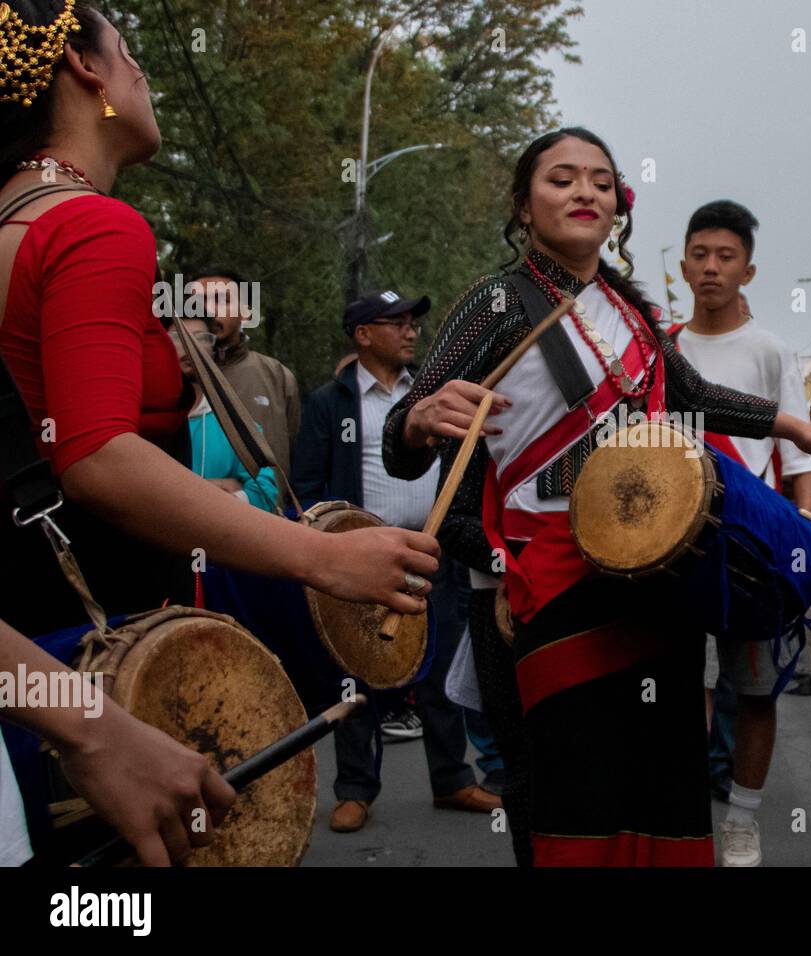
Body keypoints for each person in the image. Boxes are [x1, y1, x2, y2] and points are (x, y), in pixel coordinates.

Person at [0, 0, 439, 866]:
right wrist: (320, 557)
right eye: (129, 56)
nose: (142, 76)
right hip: (98, 651)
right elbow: (95, 459)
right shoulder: (88, 223)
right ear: (86, 72)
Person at [381, 127, 811, 867]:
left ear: (618, 207)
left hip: (644, 571)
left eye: (601, 182)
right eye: (562, 179)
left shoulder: (631, 312)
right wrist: (418, 420)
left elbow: (695, 395)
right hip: (523, 581)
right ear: (523, 203)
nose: (585, 192)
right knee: (547, 781)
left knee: (656, 771)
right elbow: (400, 436)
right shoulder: (495, 303)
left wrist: (799, 429)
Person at [292, 290, 500, 833]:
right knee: (357, 675)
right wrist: (331, 543)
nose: (411, 332)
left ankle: (453, 779)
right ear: (363, 334)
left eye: (413, 323)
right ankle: (356, 790)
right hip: (360, 564)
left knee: (440, 669)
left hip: (435, 555)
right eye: (396, 323)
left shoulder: (432, 396)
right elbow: (308, 484)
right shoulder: (329, 402)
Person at [669, 200, 811, 866]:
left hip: (751, 551)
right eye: (699, 254)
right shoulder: (662, 349)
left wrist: (803, 557)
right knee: (683, 689)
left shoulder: (770, 349)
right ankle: (682, 820)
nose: (711, 267)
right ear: (682, 265)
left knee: (755, 691)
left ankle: (743, 818)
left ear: (749, 270)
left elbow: (802, 454)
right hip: (674, 551)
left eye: (725, 256)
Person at [192, 267, 301, 480]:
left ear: (245, 312)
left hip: (267, 511)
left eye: (221, 300)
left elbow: (296, 456)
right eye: (197, 302)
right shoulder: (172, 376)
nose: (207, 309)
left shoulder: (277, 376)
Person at [172, 315, 278, 512]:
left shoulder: (237, 424)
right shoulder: (146, 422)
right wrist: (215, 491)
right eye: (177, 337)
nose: (190, 345)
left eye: (202, 337)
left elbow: (267, 492)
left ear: (212, 349)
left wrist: (234, 498)